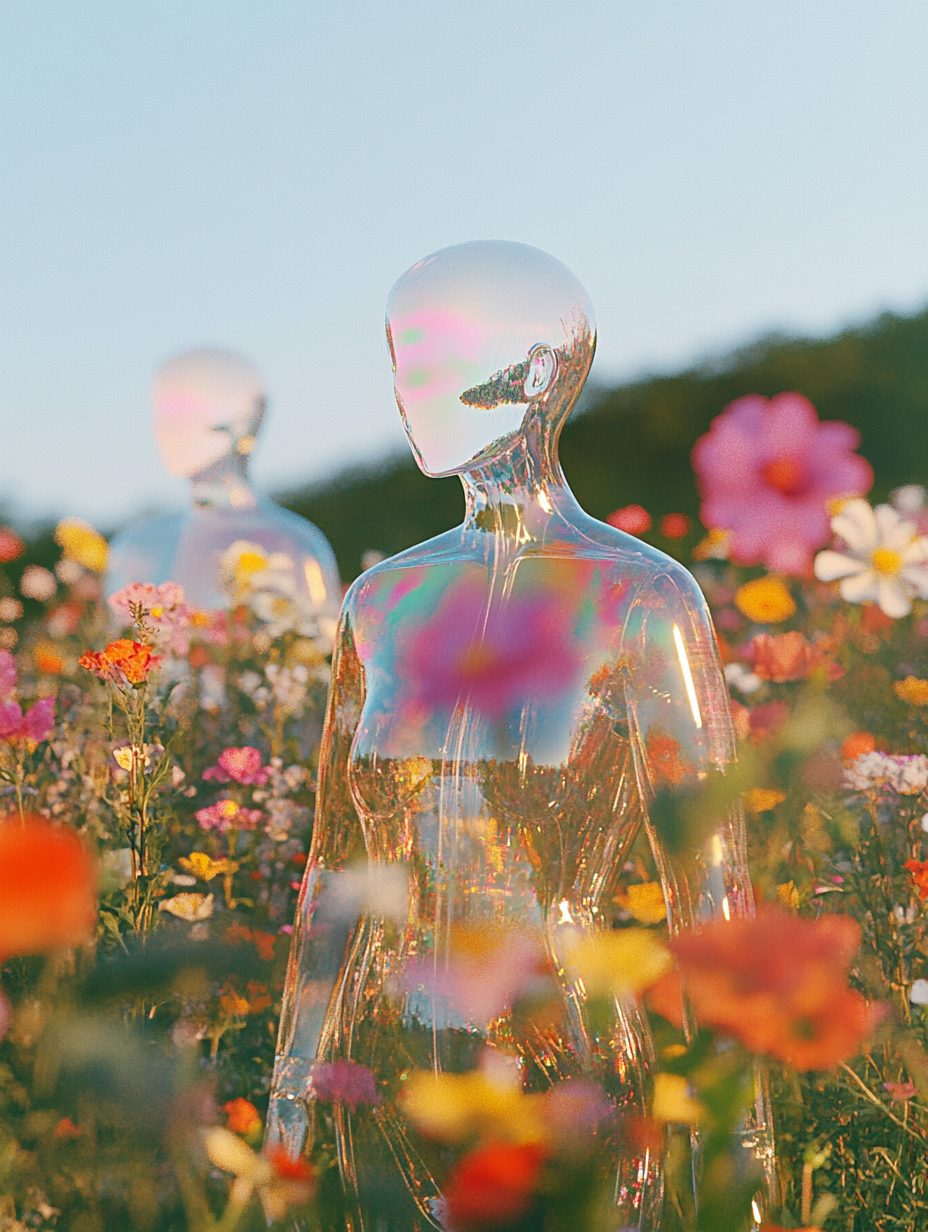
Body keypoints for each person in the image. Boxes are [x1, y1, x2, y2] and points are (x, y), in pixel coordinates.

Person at [268, 241, 770, 1230]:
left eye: (431, 358)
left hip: (564, 1061)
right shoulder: (380, 602)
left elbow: (709, 896)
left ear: (537, 372)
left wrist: (739, 1164)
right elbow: (336, 869)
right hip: (383, 1068)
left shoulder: (640, 596)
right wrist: (287, 1103)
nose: (408, 390)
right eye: (398, 360)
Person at [105, 347, 339, 618]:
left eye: (178, 411)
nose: (158, 429)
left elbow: (317, 647)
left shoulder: (293, 543)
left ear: (242, 418)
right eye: (159, 412)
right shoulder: (136, 548)